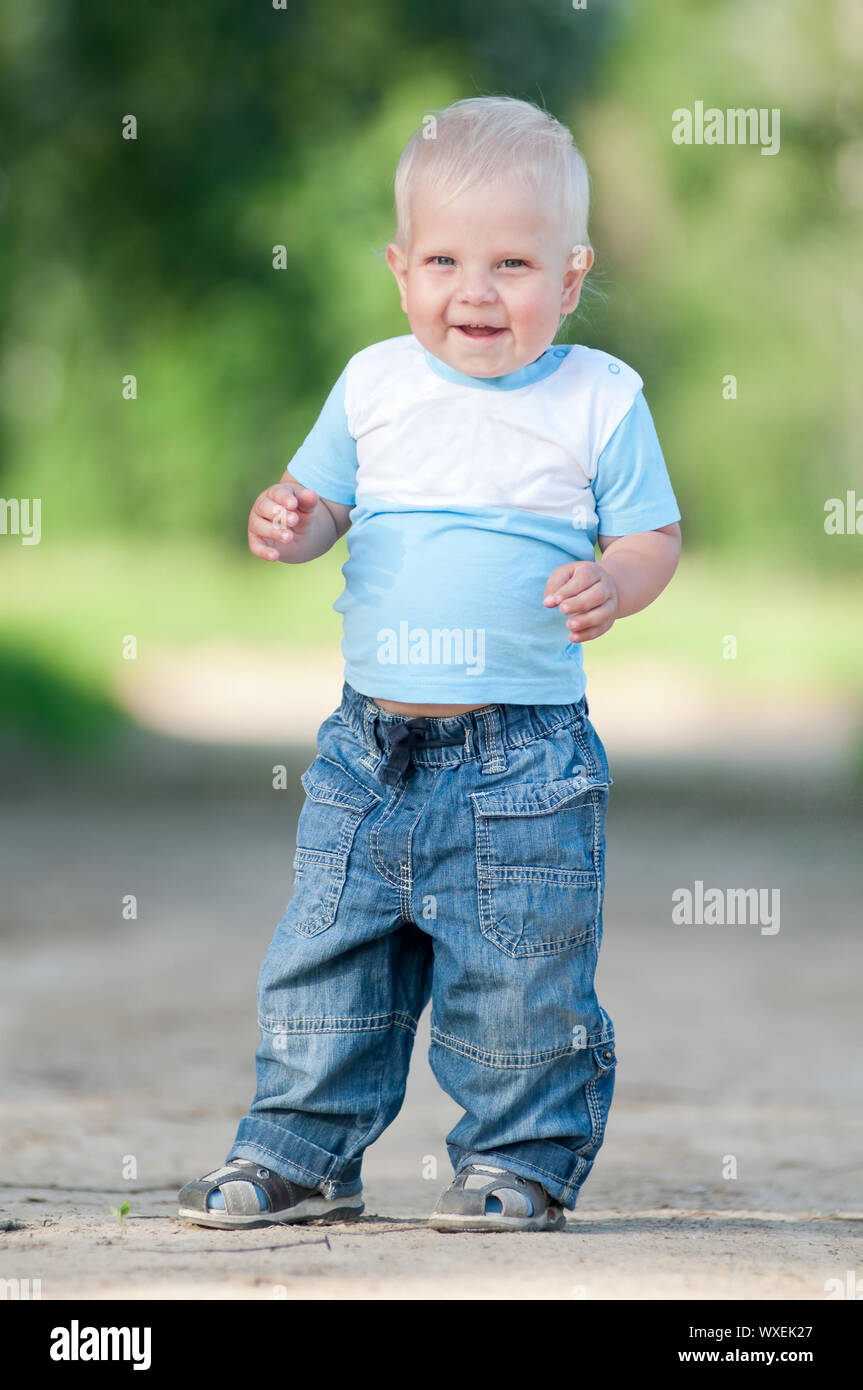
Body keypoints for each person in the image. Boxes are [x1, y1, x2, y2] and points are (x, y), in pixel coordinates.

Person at [178, 95, 681, 1233]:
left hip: (522, 758)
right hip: (367, 746)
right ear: (399, 269)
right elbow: (325, 509)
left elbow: (650, 534)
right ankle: (300, 1149)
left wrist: (619, 579)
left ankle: (517, 1157)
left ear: (569, 273)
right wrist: (289, 519)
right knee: (323, 958)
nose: (475, 291)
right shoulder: (372, 384)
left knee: (515, 973)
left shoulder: (596, 398)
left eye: (512, 261)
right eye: (445, 259)